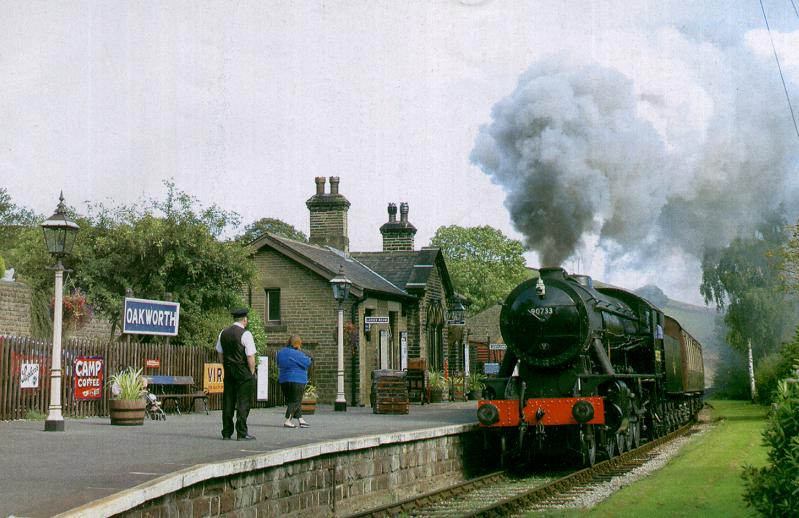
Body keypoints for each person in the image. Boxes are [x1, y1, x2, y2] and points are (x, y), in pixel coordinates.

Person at [216, 308, 257, 440]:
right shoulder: (246, 334)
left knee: (228, 401)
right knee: (243, 402)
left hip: (228, 369)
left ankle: (227, 432)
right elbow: (250, 356)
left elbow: (220, 352)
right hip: (242, 370)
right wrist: (252, 371)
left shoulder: (223, 333)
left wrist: (224, 366)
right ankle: (241, 432)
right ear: (244, 319)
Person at [276, 334, 312, 428]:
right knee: (295, 400)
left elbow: (278, 363)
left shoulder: (281, 353)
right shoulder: (298, 354)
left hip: (284, 380)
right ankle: (288, 420)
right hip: (297, 380)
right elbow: (307, 363)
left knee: (293, 400)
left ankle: (301, 419)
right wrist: (308, 357)